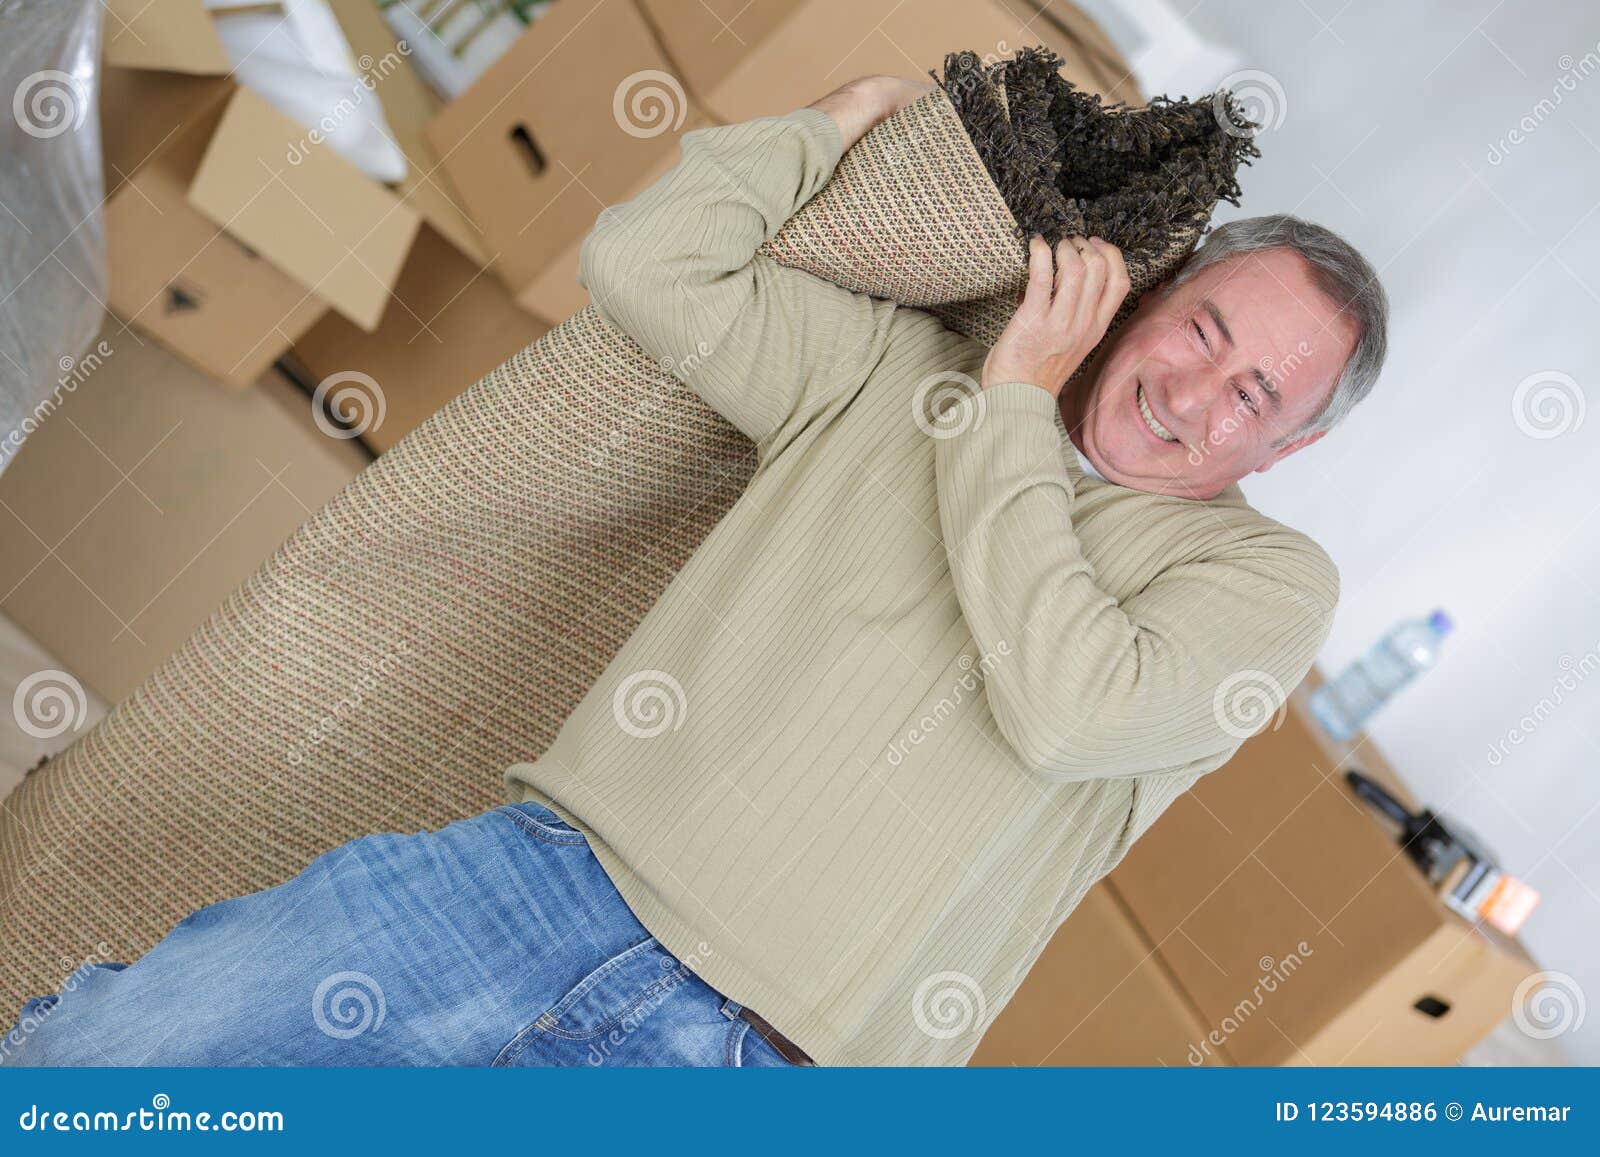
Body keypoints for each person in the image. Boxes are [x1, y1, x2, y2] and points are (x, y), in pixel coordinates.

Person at [2, 74, 1387, 1068]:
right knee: (94, 1063)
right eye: (1205, 330)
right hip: (533, 882)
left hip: (746, 1058)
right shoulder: (895, 378)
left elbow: (1075, 702)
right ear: (1148, 296)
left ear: (1293, 444)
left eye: (1258, 393)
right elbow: (656, 265)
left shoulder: (1264, 584)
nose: (1201, 391)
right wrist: (830, 125)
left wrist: (1020, 401)